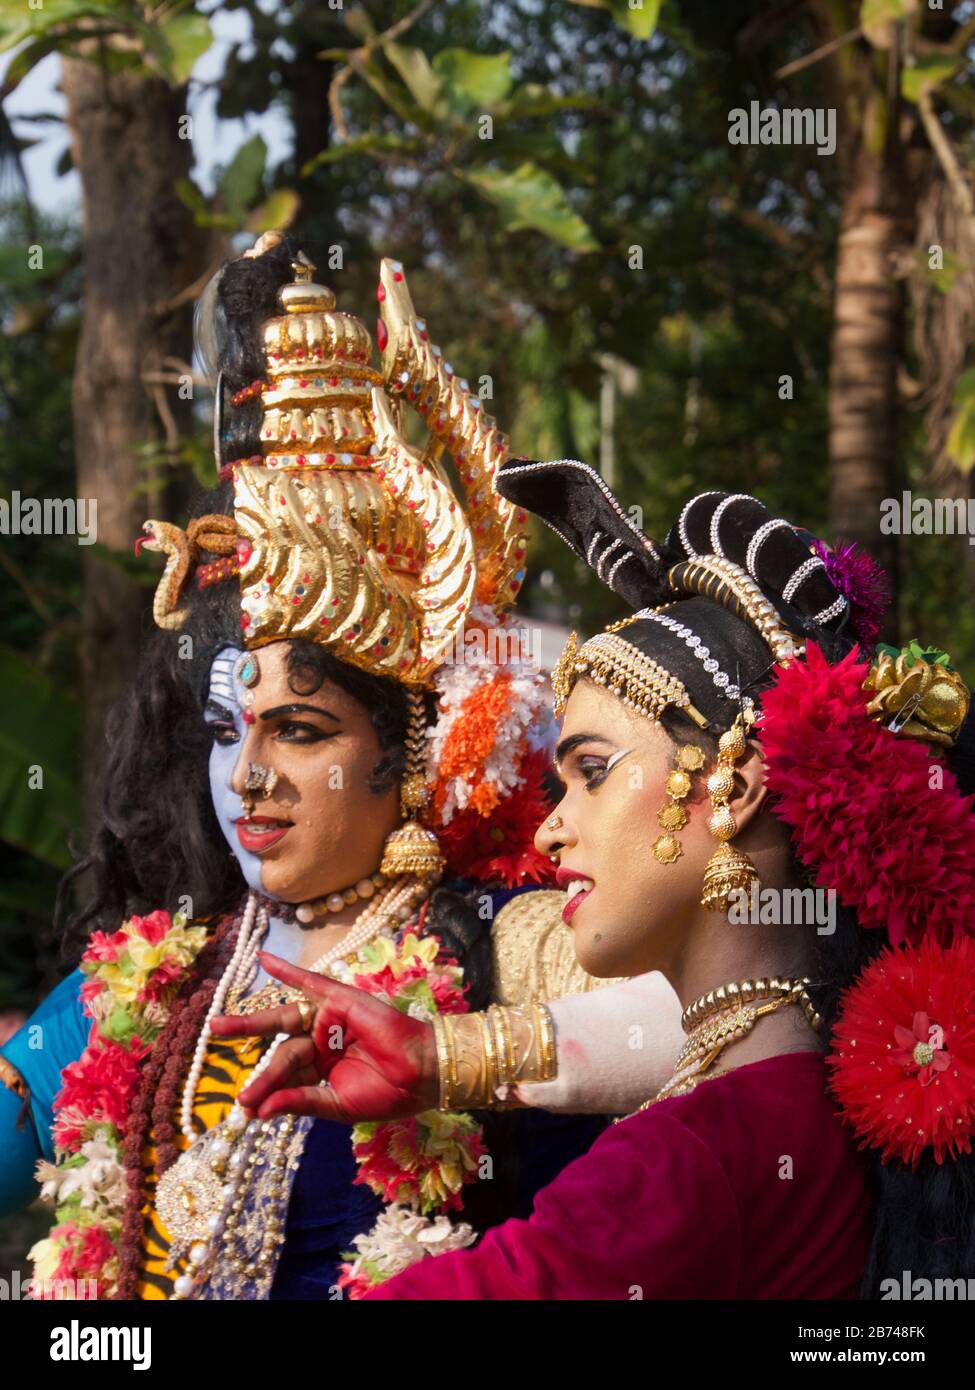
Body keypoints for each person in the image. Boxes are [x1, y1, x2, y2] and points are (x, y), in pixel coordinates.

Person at [0, 239, 683, 1301]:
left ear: (409, 749)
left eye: (303, 731)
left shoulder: (505, 943)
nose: (249, 775)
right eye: (228, 730)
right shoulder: (164, 976)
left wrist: (459, 1056)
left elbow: (724, 1023)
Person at [214, 468, 975, 1299]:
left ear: (739, 783)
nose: (550, 828)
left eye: (593, 771)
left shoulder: (690, 1160)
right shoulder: (816, 1096)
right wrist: (442, 1056)